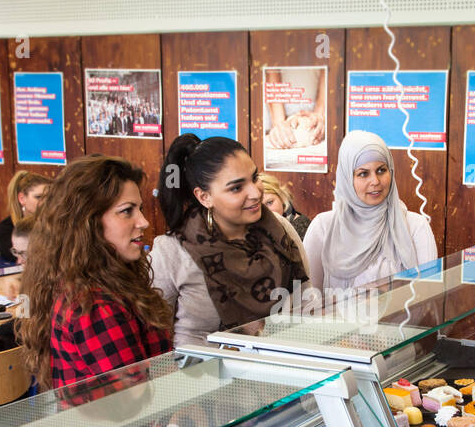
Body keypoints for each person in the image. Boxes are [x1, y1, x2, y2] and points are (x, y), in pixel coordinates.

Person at [20, 155, 172, 427]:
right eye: (127, 212)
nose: (143, 222)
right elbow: (139, 403)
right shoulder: (96, 306)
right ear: (89, 223)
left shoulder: (94, 284)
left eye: (140, 208)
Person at [151, 134, 310, 348]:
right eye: (236, 188)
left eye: (254, 178)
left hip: (281, 369)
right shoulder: (172, 251)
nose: (255, 193)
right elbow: (154, 333)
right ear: (204, 197)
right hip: (202, 377)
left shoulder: (280, 229)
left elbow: (306, 305)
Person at [303, 129, 437, 290]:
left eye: (381, 170)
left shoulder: (415, 226)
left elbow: (428, 295)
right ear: (347, 178)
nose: (375, 181)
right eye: (363, 174)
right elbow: (309, 297)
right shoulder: (324, 227)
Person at [0, 216, 33, 345]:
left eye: (25, 254)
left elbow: (29, 324)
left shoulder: (53, 284)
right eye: (16, 252)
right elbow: (25, 317)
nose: (19, 260)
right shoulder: (29, 279)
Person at [0, 170, 52, 263]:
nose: (45, 202)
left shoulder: (57, 223)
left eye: (49, 197)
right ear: (22, 199)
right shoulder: (5, 230)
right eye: (39, 197)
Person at [258, 173, 311, 240]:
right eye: (259, 206)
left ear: (281, 198)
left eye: (269, 202)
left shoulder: (302, 227)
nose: (266, 210)